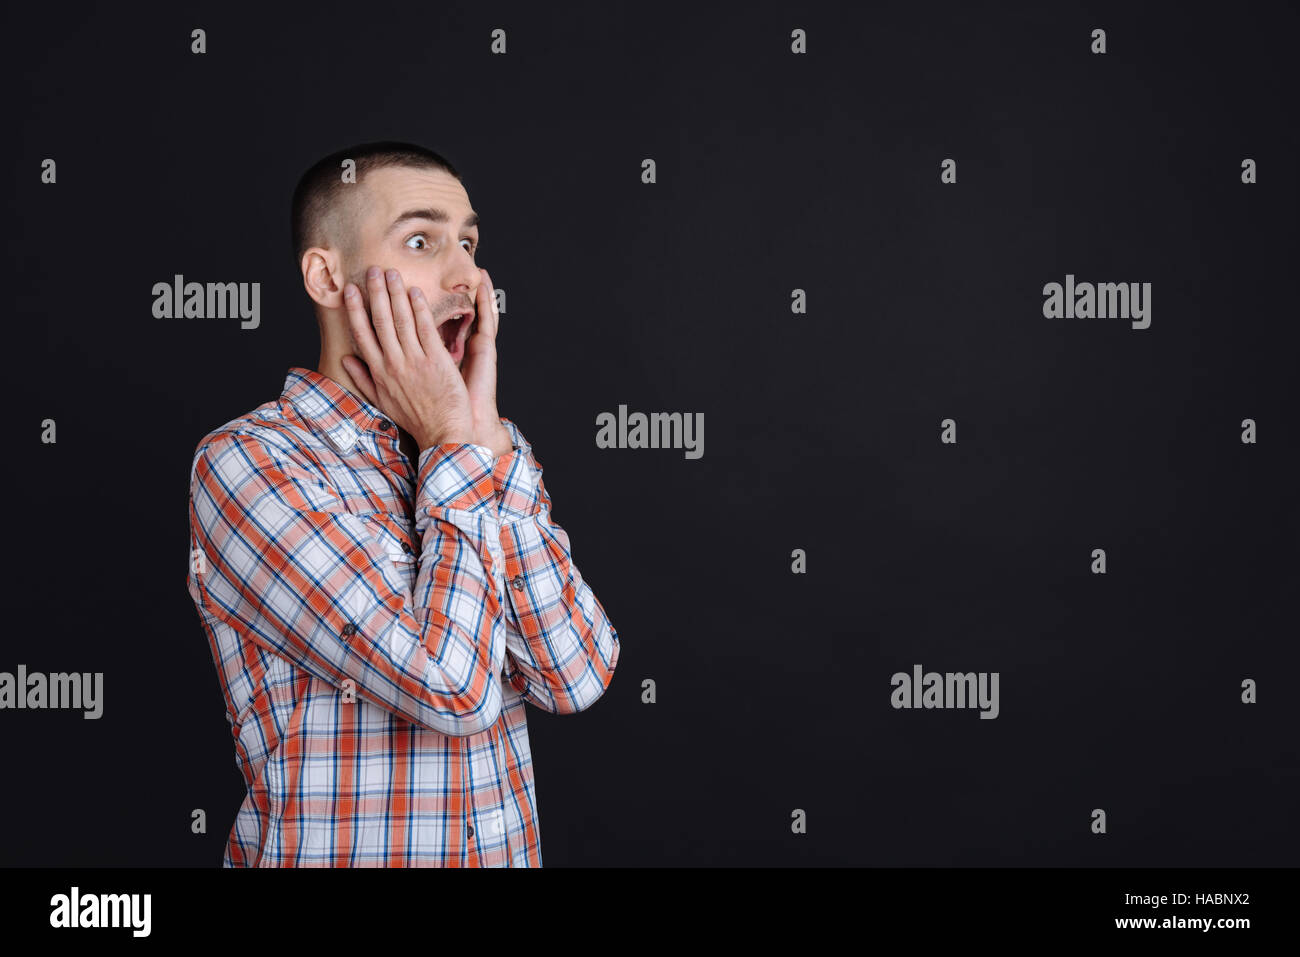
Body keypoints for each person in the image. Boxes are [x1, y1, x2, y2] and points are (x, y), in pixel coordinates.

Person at [185, 141, 620, 867]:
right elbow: (450, 689)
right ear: (327, 276)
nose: (469, 278)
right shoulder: (248, 463)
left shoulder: (479, 452)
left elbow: (575, 673)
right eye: (422, 241)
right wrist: (456, 439)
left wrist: (477, 438)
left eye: (470, 243)